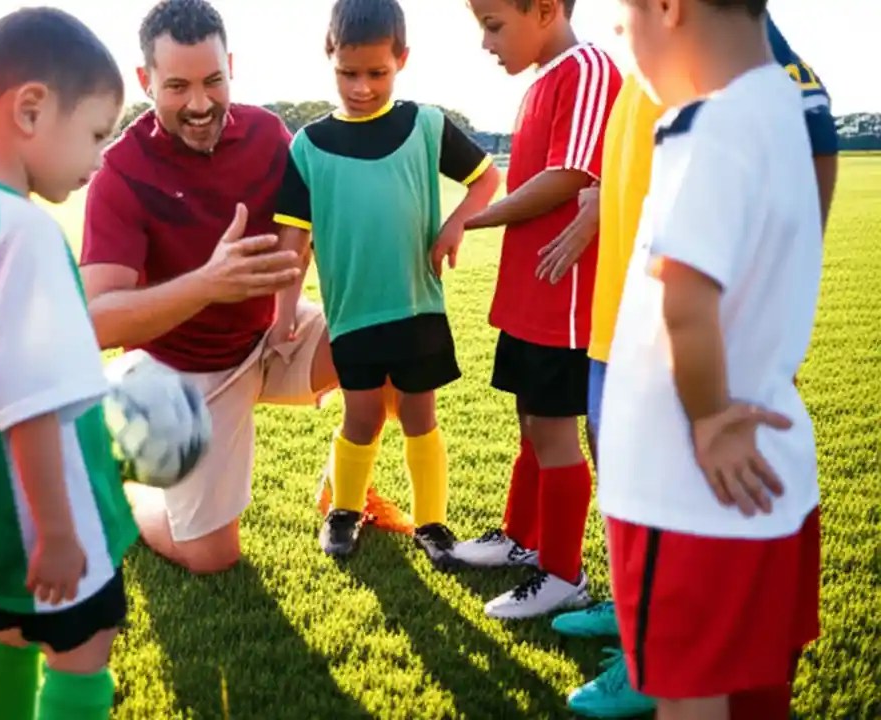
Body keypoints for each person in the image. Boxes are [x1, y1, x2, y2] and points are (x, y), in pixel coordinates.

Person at [544, 11, 839, 717]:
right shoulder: (793, 107)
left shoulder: (706, 129)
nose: (623, 39)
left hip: (689, 486)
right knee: (755, 692)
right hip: (771, 477)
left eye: (625, 19)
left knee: (689, 698)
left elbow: (685, 303)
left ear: (668, 8)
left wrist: (707, 421)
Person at [79, 0, 409, 576]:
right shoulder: (122, 174)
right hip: (186, 373)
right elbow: (95, 319)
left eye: (213, 81)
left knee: (395, 344)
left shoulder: (265, 133)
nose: (201, 104)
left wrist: (292, 288)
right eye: (177, 86)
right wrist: (208, 284)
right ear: (145, 81)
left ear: (231, 66)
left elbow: (299, 230)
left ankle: (344, 493)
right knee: (212, 557)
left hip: (271, 335)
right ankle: (119, 487)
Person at [0, 8, 145, 719]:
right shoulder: (25, 232)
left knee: (9, 631)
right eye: (96, 133)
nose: (100, 158)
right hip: (49, 511)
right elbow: (30, 399)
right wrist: (55, 531)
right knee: (83, 652)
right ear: (31, 108)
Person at [272, 0, 501, 568]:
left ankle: (433, 525)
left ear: (402, 59)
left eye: (378, 72)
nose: (363, 86)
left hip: (418, 307)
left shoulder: (426, 125)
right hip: (352, 315)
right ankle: (344, 510)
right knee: (363, 416)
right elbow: (293, 244)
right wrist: (281, 315)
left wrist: (455, 224)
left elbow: (486, 178)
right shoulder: (309, 147)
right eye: (349, 73)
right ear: (330, 57)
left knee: (421, 416)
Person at [456, 0, 621, 619]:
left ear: (547, 10)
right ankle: (521, 540)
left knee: (555, 433)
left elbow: (572, 176)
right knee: (532, 423)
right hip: (533, 291)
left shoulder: (588, 68)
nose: (486, 44)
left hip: (566, 295)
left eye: (493, 26)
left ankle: (562, 572)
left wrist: (477, 218)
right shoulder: (543, 81)